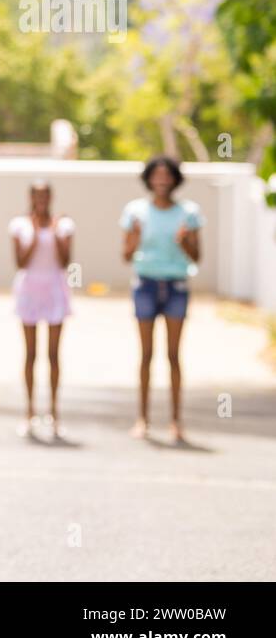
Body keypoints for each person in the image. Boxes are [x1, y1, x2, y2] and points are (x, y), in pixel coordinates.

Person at [119, 155, 203, 444]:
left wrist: (184, 241)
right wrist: (136, 238)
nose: (162, 180)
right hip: (145, 285)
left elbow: (197, 257)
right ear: (149, 179)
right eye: (157, 175)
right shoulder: (135, 211)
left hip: (176, 286)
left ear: (175, 179)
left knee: (173, 356)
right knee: (146, 355)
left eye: (167, 175)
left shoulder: (189, 212)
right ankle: (142, 418)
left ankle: (176, 421)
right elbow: (126, 255)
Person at [8, 180, 74, 440]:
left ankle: (55, 413)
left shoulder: (64, 225)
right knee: (31, 353)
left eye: (45, 195)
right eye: (37, 196)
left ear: (51, 196)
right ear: (31, 197)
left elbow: (65, 261)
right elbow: (20, 262)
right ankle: (29, 412)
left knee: (53, 355)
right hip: (29, 292)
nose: (41, 200)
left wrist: (55, 232)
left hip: (55, 291)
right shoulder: (19, 225)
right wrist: (35, 234)